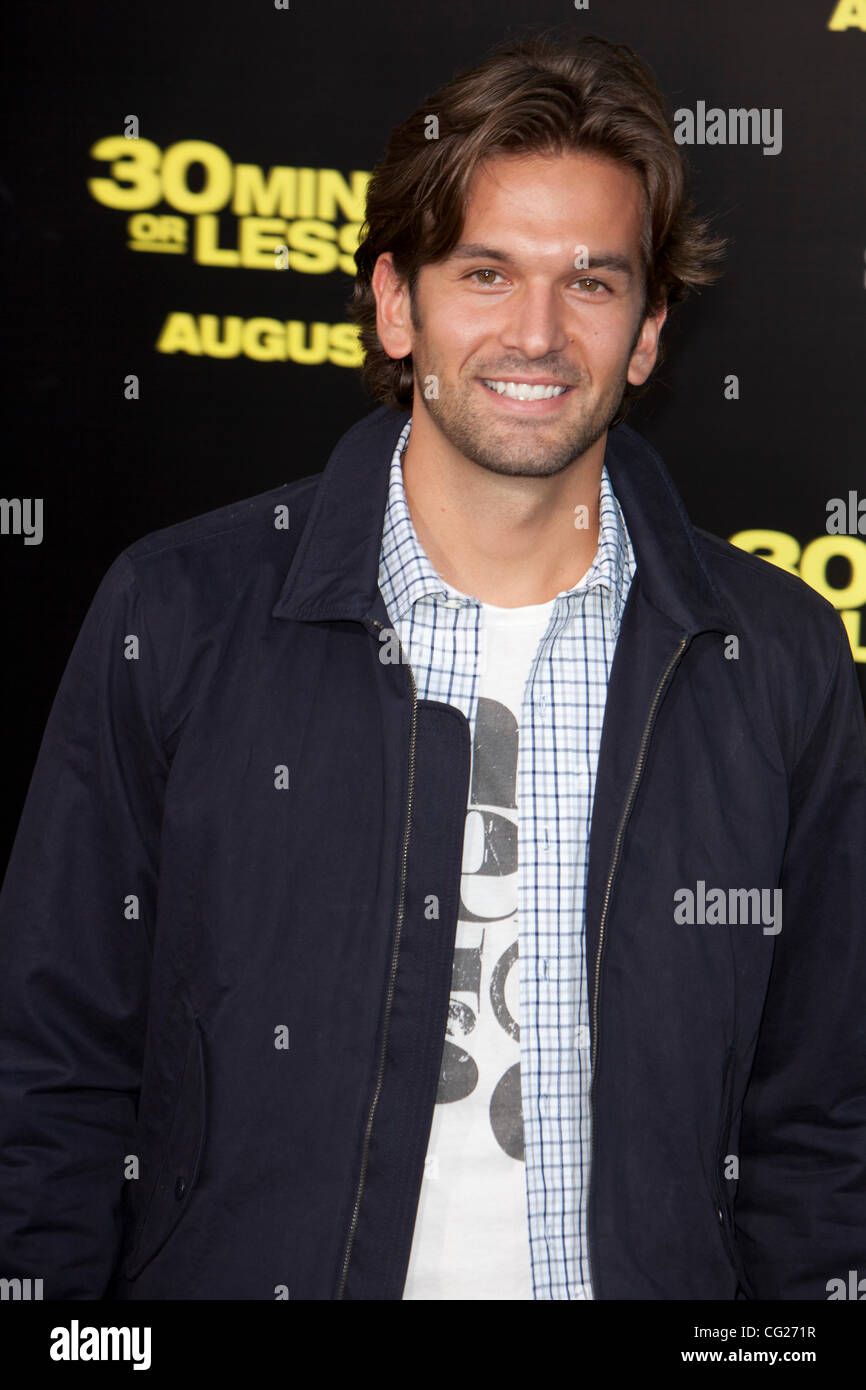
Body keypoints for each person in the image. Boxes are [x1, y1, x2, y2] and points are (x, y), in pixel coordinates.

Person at [1, 30, 865, 1303]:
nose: (535, 334)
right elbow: (50, 1072)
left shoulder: (775, 656)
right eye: (483, 273)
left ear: (645, 331)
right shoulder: (177, 613)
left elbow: (822, 1122)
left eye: (589, 281)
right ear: (397, 304)